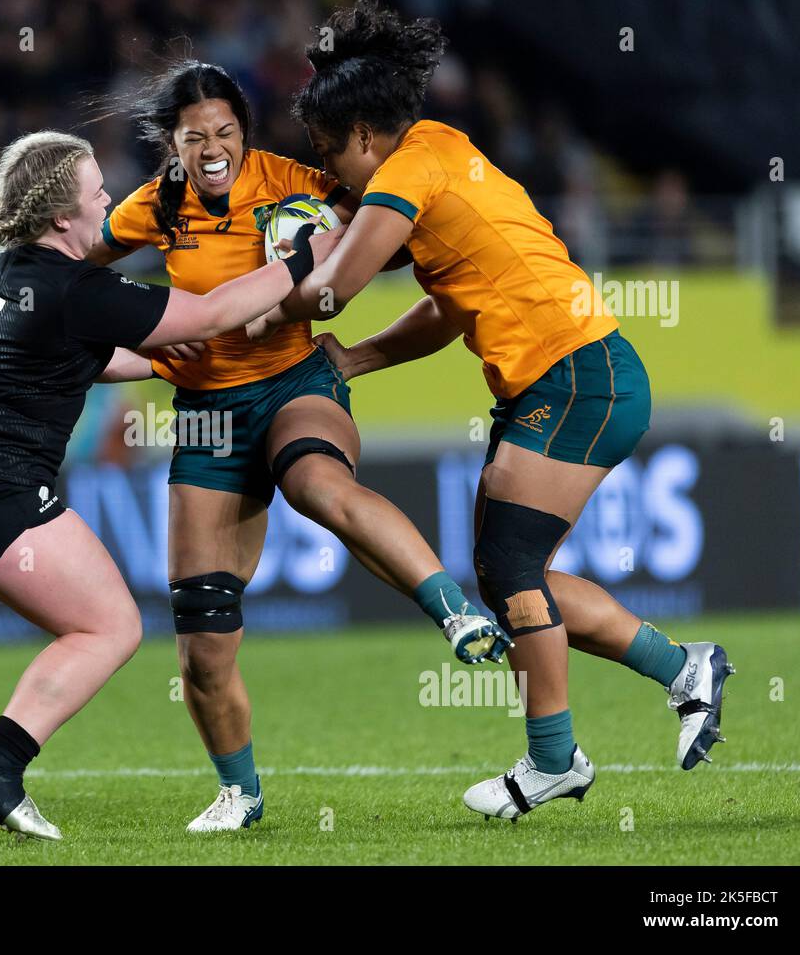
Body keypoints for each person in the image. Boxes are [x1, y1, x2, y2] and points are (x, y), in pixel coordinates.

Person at [0, 128, 345, 845]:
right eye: (96, 193)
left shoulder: (7, 267)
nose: (108, 200)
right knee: (109, 626)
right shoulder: (77, 286)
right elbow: (208, 315)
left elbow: (94, 357)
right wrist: (301, 256)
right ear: (62, 218)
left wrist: (167, 364)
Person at [256, 1, 733, 820]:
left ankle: (555, 759)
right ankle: (683, 669)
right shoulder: (445, 149)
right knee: (518, 579)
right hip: (565, 379)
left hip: (578, 375)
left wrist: (273, 285)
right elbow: (448, 309)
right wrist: (360, 359)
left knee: (512, 575)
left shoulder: (408, 171)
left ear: (366, 135)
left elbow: (333, 291)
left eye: (333, 154)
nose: (335, 172)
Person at [86, 60, 505, 833]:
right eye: (194, 137)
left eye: (225, 132)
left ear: (244, 131)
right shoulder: (156, 206)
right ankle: (239, 793)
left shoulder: (296, 184)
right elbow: (73, 263)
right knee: (203, 637)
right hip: (206, 415)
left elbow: (387, 219)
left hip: (295, 384)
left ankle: (454, 611)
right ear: (172, 144)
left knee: (317, 483)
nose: (213, 149)